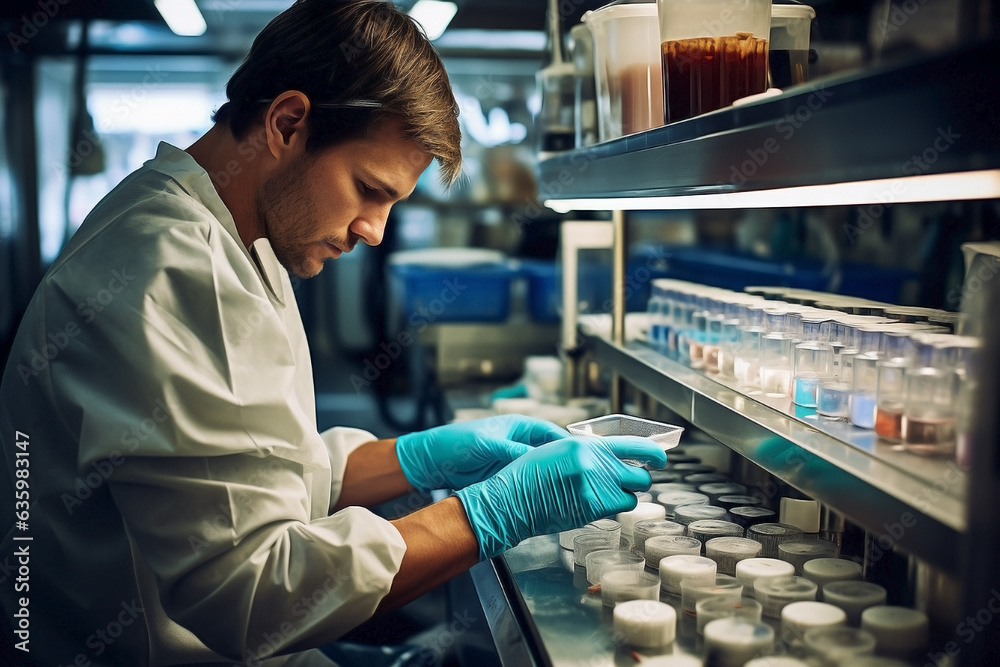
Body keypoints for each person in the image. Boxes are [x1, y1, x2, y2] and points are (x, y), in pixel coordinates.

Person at [0, 1, 665, 665]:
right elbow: (253, 595)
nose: (374, 230)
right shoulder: (175, 268)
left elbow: (247, 472)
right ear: (288, 124)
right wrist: (492, 512)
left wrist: (419, 456)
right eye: (367, 188)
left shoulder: (230, 230)